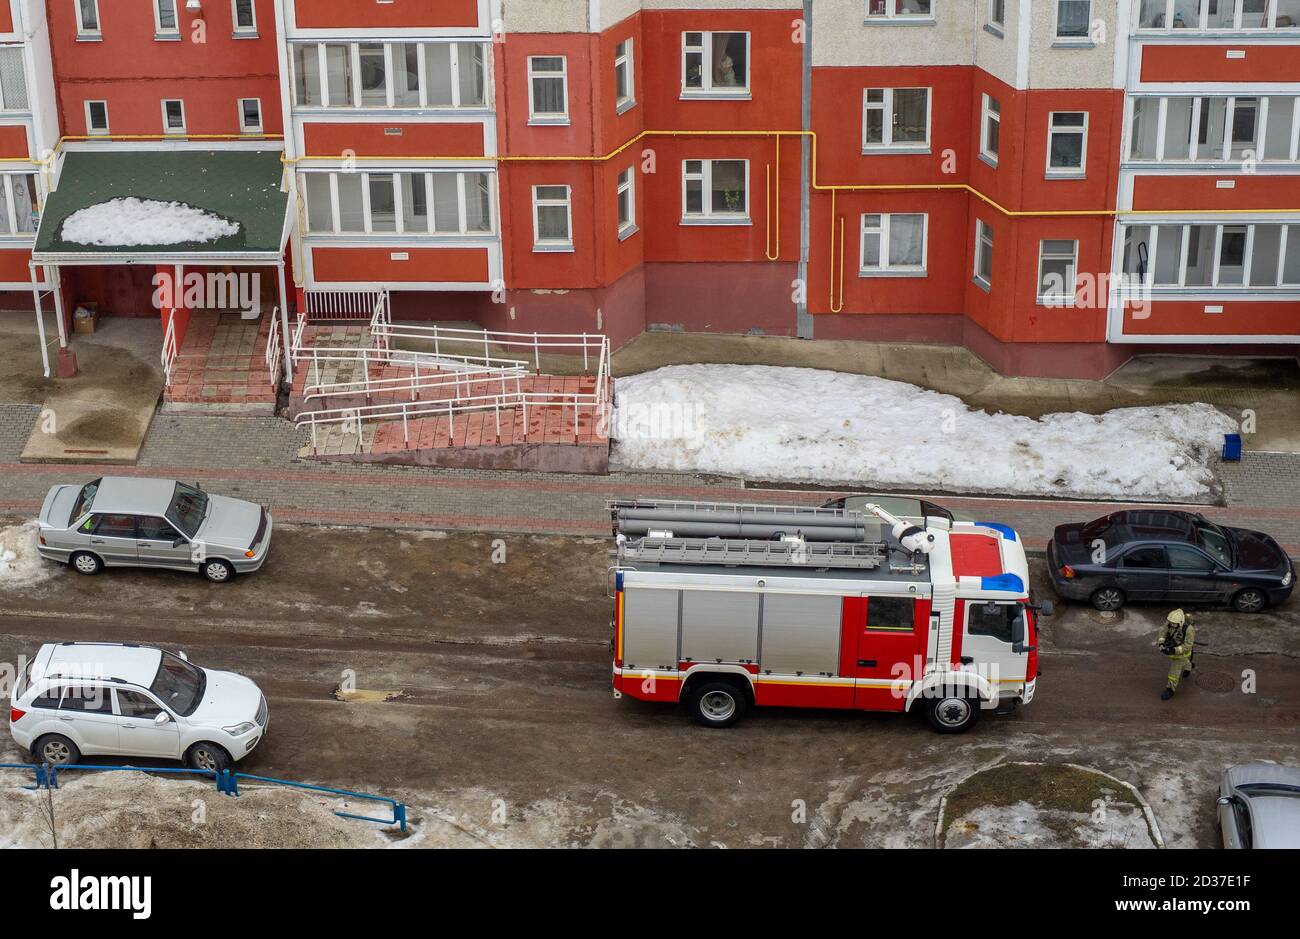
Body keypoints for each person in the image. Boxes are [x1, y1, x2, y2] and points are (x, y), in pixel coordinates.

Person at [1157, 609, 1195, 700]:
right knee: (1185, 662)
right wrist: (1161, 643)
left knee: (1173, 672)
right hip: (1176, 650)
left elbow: (1188, 645)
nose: (1172, 625)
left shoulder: (1189, 630)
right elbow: (1163, 632)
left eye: (1174, 624)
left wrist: (1173, 650)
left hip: (1181, 653)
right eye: (1171, 623)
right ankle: (1189, 667)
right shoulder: (1170, 622)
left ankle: (1170, 689)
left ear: (1180, 622)